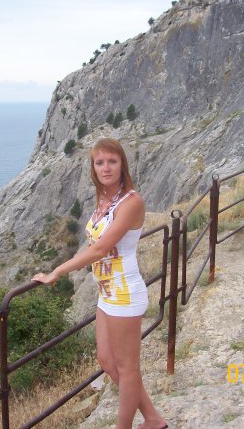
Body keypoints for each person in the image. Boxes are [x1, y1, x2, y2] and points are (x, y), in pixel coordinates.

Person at [33, 138, 167, 429]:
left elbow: (100, 249)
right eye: (99, 162)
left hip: (124, 292)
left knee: (128, 368)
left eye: (112, 161)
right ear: (93, 168)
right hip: (106, 293)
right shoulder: (105, 199)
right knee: (106, 360)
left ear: (122, 165)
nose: (106, 168)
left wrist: (57, 271)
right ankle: (154, 418)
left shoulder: (131, 202)